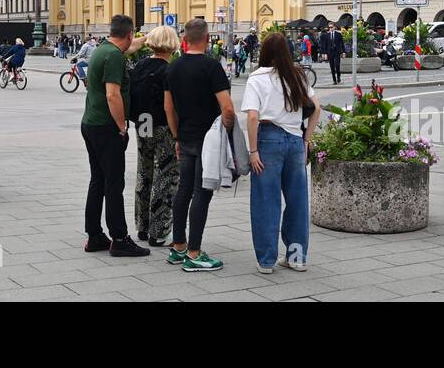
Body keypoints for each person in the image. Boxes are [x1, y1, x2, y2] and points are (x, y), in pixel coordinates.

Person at [244, 32, 321, 273]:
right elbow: (316, 109)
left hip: (268, 141)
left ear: (263, 52)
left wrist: (253, 150)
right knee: (297, 201)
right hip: (295, 141)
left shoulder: (256, 78)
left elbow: (253, 117)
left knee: (266, 201)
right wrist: (306, 140)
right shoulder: (297, 75)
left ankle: (267, 261)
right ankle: (297, 258)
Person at [164, 18, 235, 272]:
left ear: (185, 39)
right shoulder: (211, 66)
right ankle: (194, 253)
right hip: (209, 140)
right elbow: (227, 107)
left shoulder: (172, 67)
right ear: (206, 39)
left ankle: (179, 246)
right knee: (201, 193)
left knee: (183, 191)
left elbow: (168, 108)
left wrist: (176, 136)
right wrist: (227, 130)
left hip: (185, 136)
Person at [81, 14, 151, 257]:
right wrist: (122, 128)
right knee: (114, 183)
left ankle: (94, 235)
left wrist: (147, 39)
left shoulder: (104, 49)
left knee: (98, 181)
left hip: (90, 124)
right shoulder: (113, 57)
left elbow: (130, 46)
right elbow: (113, 95)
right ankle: (119, 238)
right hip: (106, 128)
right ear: (129, 33)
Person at [129, 24, 181, 246]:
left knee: (145, 172)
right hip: (162, 126)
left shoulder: (140, 66)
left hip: (142, 124)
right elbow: (170, 107)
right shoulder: (169, 70)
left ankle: (142, 225)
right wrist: (177, 134)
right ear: (172, 45)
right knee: (166, 175)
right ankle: (158, 231)